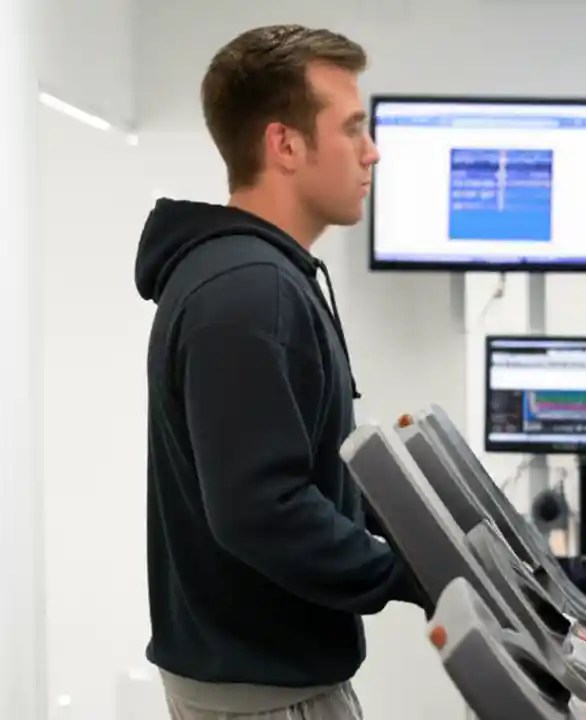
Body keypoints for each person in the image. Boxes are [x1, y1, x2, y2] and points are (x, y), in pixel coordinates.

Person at [133, 25, 427, 720]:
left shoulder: (252, 276)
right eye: (353, 128)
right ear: (285, 145)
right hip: (267, 700)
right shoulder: (247, 291)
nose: (372, 151)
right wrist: (408, 571)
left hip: (260, 686)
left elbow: (291, 469)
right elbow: (261, 510)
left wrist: (415, 527)